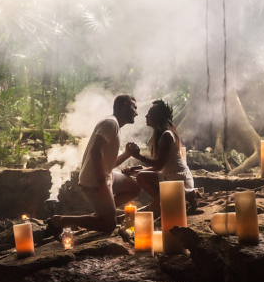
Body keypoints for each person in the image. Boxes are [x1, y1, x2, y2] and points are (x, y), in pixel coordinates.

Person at [45, 95, 141, 237]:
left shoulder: (114, 125)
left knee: (134, 188)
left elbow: (109, 162)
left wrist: (127, 154)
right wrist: (102, 182)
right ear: (124, 106)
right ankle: (59, 221)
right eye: (134, 108)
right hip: (95, 180)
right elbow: (95, 151)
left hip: (106, 175)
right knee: (109, 225)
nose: (136, 112)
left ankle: (103, 213)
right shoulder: (110, 123)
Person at [125, 100, 197, 219]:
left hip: (178, 179)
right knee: (141, 176)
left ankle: (173, 199)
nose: (146, 116)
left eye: (149, 114)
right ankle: (165, 200)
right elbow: (163, 165)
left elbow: (159, 165)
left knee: (154, 212)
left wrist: (139, 157)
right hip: (169, 175)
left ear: (156, 117)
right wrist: (139, 170)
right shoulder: (159, 134)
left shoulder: (167, 135)